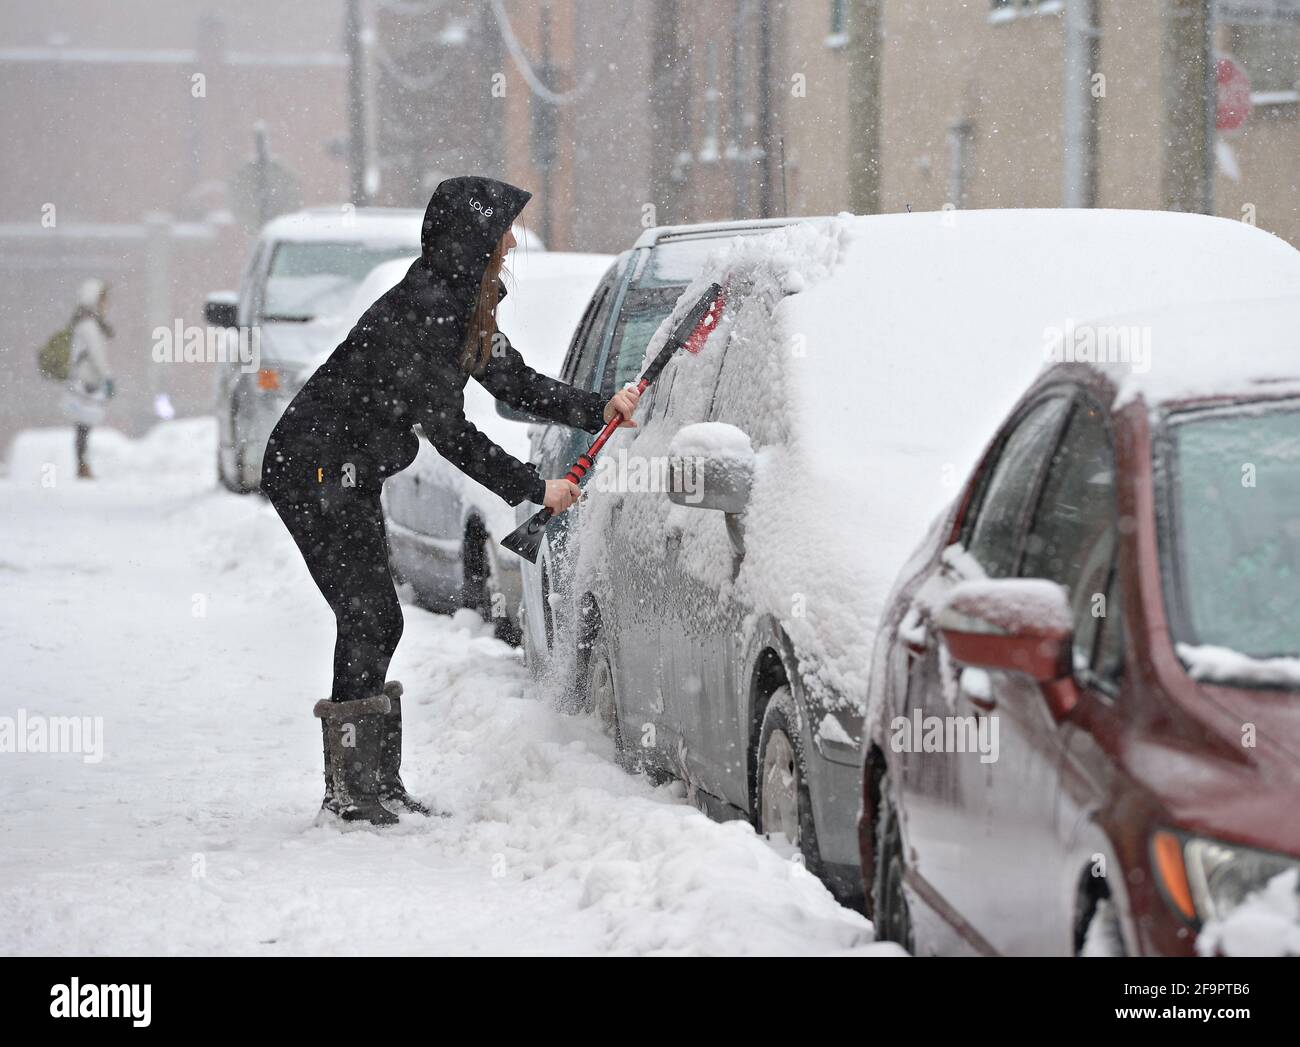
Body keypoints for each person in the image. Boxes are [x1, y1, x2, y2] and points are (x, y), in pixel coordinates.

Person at [262, 176, 639, 826]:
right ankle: (352, 792)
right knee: (369, 614)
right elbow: (452, 433)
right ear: (475, 239)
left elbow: (510, 380)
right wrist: (533, 485)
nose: (514, 240)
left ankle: (375, 784)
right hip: (314, 469)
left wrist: (596, 405)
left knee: (376, 616)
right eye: (503, 229)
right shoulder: (424, 311)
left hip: (348, 468)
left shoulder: (461, 301)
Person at [63, 279, 115, 480]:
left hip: (83, 379)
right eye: (103, 299)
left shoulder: (82, 321)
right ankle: (83, 466)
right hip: (87, 381)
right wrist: (108, 377)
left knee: (83, 426)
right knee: (84, 425)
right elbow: (97, 354)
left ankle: (82, 465)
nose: (106, 304)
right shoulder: (89, 324)